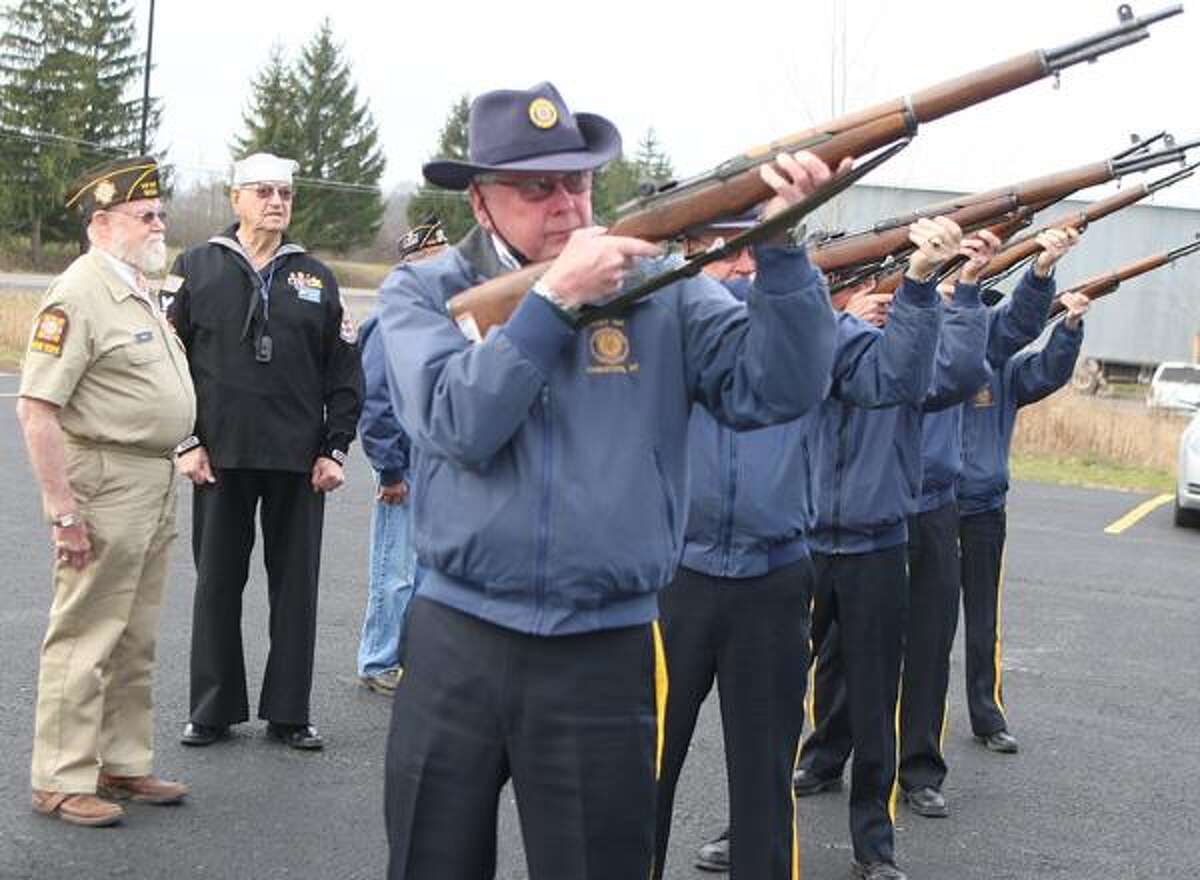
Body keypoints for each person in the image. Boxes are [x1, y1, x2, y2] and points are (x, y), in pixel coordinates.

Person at [378, 81, 841, 880]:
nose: (565, 204)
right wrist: (554, 302)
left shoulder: (663, 288)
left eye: (577, 182)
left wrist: (782, 252)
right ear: (481, 201)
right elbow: (457, 424)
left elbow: (779, 389)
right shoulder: (423, 292)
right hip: (458, 635)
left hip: (603, 647)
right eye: (536, 188)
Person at [658, 215, 952, 879]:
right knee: (644, 771)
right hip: (673, 573)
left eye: (754, 252)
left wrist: (918, 286)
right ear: (688, 252)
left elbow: (895, 380)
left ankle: (866, 848)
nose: (741, 269)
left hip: (773, 579)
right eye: (721, 253)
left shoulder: (815, 325)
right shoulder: (664, 317)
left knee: (766, 787)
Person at [793, 219, 991, 880]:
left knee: (877, 705)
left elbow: (957, 375)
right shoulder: (801, 338)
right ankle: (747, 825)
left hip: (878, 544)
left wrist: (956, 290)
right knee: (767, 700)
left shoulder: (906, 341)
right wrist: (842, 324)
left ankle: (874, 847)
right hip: (801, 542)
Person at [18, 155, 195, 827]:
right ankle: (61, 778)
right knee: (86, 633)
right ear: (101, 223)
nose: (158, 225)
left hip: (153, 480)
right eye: (144, 215)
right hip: (105, 481)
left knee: (134, 634)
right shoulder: (78, 294)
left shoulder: (137, 287)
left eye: (160, 214)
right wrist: (63, 511)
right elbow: (37, 409)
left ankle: (121, 761)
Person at [168, 152, 364, 751]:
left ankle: (289, 712)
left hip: (299, 462)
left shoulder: (316, 277)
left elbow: (345, 371)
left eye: (285, 193)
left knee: (296, 591)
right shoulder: (195, 267)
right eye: (263, 192)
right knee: (216, 586)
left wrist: (335, 448)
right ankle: (212, 710)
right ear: (236, 199)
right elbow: (166, 364)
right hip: (218, 456)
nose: (276, 202)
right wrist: (185, 440)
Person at [899, 227, 1078, 819]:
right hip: (895, 511)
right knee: (861, 645)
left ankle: (957, 738)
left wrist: (1050, 287)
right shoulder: (899, 341)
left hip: (961, 508)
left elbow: (1032, 346)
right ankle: (829, 752)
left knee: (956, 634)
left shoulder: (989, 361)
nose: (975, 319)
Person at [956, 265, 1088, 758]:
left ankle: (988, 717)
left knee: (983, 623)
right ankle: (907, 719)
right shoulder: (936, 359)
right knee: (918, 628)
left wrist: (1069, 327)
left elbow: (1048, 371)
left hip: (984, 510)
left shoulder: (1007, 369)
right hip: (930, 509)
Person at [356, 218, 447, 695]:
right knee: (395, 571)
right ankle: (379, 660)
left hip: (438, 462)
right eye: (434, 257)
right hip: (405, 464)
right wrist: (389, 469)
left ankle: (414, 660)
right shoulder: (390, 320)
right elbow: (376, 400)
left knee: (430, 573)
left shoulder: (437, 316)